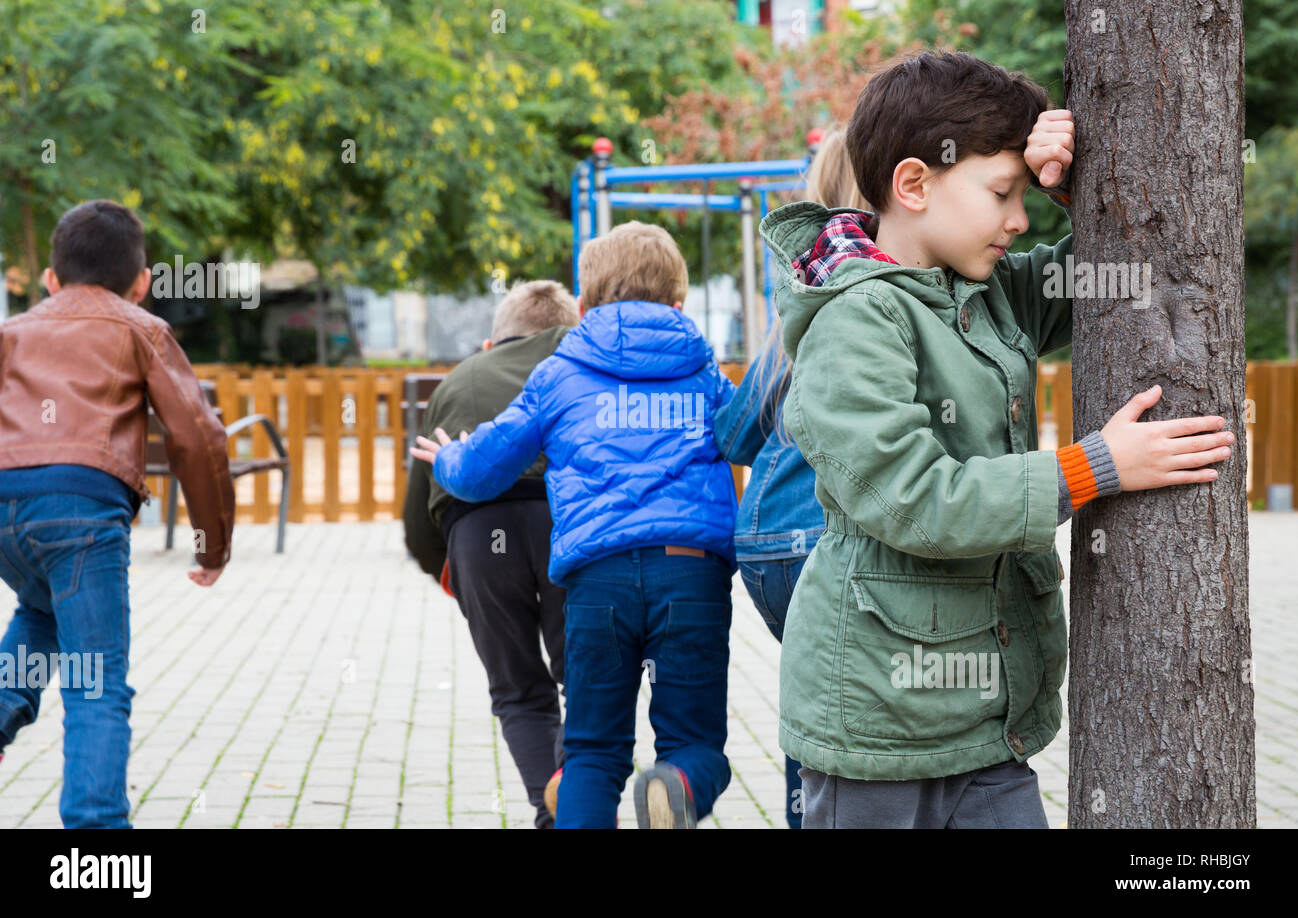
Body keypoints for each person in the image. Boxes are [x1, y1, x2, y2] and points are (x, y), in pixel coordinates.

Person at [758, 51, 1235, 829]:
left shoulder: (984, 291)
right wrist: (1093, 469)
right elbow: (913, 498)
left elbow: (1114, 276)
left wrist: (1079, 192)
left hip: (988, 731)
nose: (1019, 220)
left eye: (1024, 196)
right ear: (914, 185)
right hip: (879, 730)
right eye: (1002, 194)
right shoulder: (855, 317)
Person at [413, 222, 738, 829]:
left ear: (584, 307)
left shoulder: (559, 374)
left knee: (592, 752)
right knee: (695, 742)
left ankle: (583, 799)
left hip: (596, 584)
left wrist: (451, 459)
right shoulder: (704, 374)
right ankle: (678, 784)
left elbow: (486, 469)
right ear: (678, 304)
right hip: (691, 576)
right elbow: (747, 435)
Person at [0, 200, 234, 828]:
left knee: (43, 608)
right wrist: (211, 545)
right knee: (95, 682)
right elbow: (199, 438)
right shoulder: (141, 328)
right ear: (144, 283)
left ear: (51, 279)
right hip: (81, 512)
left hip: (5, 512)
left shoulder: (12, 332)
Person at [713, 127, 866, 829]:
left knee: (815, 709)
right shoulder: (894, 286)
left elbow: (736, 435)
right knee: (854, 716)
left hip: (767, 546)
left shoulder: (799, 305)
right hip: (830, 540)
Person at [405, 279, 578, 829]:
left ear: (491, 343)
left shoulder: (457, 381)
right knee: (584, 679)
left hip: (477, 535)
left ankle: (550, 811)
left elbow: (416, 521)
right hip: (563, 526)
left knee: (517, 688)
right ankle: (580, 796)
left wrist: (454, 576)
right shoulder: (581, 361)